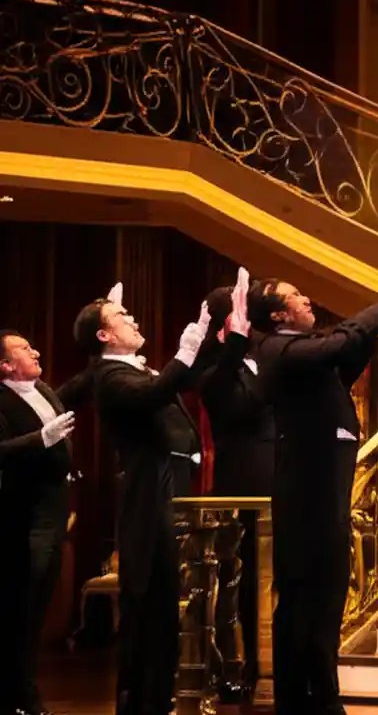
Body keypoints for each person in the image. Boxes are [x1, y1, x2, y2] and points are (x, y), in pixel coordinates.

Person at [250, 258, 378, 715]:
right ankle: (309, 702)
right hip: (308, 496)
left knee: (323, 602)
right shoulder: (277, 349)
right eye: (295, 295)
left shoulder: (299, 351)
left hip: (323, 491)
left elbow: (344, 355)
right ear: (278, 314)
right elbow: (341, 341)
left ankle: (316, 697)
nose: (306, 299)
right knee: (309, 602)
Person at [74, 273, 250, 715]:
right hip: (148, 489)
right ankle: (139, 702)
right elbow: (155, 393)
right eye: (122, 317)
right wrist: (185, 349)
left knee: (164, 605)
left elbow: (179, 379)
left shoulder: (128, 367)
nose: (133, 320)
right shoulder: (111, 375)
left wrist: (209, 329)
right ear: (103, 335)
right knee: (147, 602)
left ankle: (158, 698)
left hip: (167, 481)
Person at [0, 330, 90, 715]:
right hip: (26, 516)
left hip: (54, 511)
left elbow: (74, 392)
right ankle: (19, 696)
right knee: (21, 607)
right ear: (5, 365)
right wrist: (41, 438)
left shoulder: (43, 389)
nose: (35, 351)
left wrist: (100, 359)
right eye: (24, 349)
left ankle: (22, 692)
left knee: (38, 608)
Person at [197, 283, 274, 702]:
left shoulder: (266, 355)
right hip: (241, 485)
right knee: (238, 585)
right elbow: (239, 408)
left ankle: (279, 666)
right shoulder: (211, 368)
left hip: (280, 481)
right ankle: (240, 668)